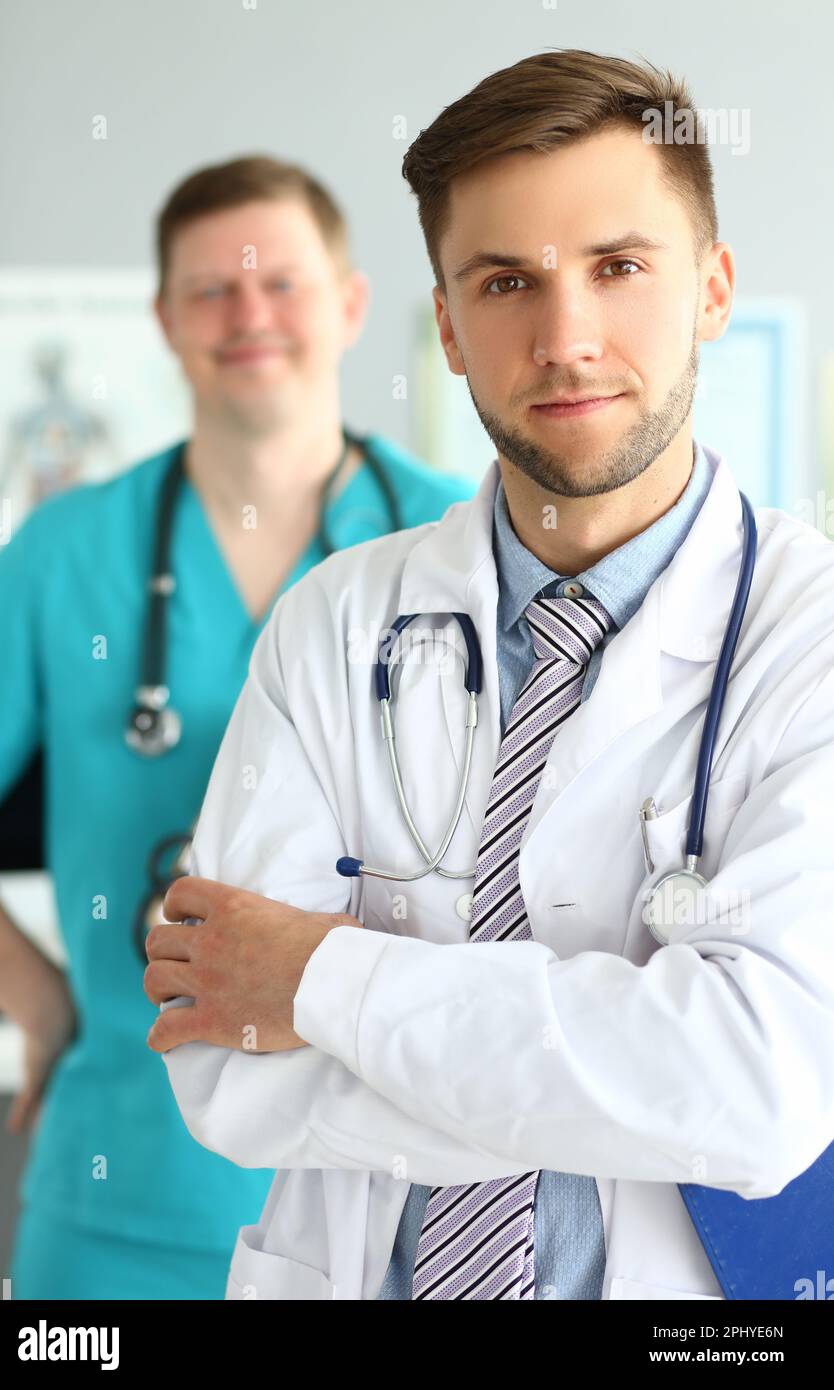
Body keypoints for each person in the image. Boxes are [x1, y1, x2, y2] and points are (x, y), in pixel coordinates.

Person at [146, 52, 834, 1301]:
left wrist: (316, 978)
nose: (564, 338)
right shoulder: (329, 627)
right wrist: (624, 1074)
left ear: (713, 289)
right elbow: (225, 1072)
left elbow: (758, 1092)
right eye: (506, 282)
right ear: (449, 329)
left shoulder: (811, 638)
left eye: (618, 268)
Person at [0, 154, 475, 1299]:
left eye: (281, 283)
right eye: (210, 289)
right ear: (164, 320)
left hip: (399, 1203)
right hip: (122, 1206)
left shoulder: (461, 545)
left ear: (348, 303)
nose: (248, 315)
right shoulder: (64, 555)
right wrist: (35, 995)